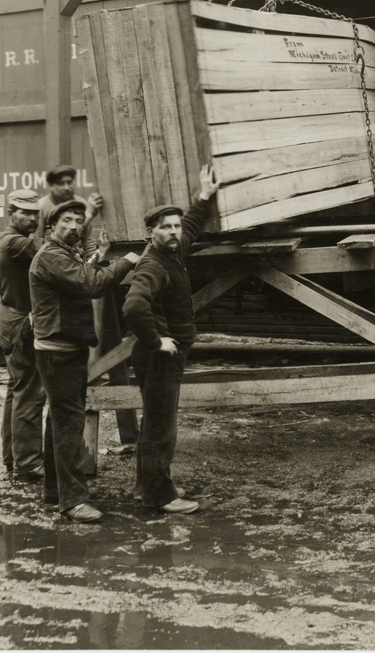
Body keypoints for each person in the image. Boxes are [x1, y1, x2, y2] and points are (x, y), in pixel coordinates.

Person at [29, 197, 140, 523]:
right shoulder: (50, 255)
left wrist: (100, 256)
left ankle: (54, 490)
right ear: (52, 225)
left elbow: (79, 273)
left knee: (60, 420)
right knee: (69, 424)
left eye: (79, 220)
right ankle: (73, 501)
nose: (75, 226)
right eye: (67, 221)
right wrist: (127, 261)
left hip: (63, 348)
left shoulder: (60, 253)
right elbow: (89, 283)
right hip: (58, 352)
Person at [122, 165, 220, 515]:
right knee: (162, 429)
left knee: (154, 423)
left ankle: (144, 489)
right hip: (160, 357)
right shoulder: (154, 265)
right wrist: (156, 341)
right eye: (166, 227)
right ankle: (160, 497)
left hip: (161, 355)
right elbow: (134, 306)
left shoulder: (172, 251)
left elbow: (192, 227)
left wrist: (203, 197)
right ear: (151, 233)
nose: (175, 231)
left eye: (176, 226)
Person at [0, 189, 45, 480]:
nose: (32, 218)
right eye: (25, 212)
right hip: (19, 325)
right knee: (30, 392)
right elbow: (53, 251)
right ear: (11, 212)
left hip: (9, 320)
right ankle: (27, 463)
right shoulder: (16, 243)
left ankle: (13, 459)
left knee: (17, 391)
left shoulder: (8, 239)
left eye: (36, 212)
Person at [36, 164, 104, 247]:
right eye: (61, 183)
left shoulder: (82, 203)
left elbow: (88, 240)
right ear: (51, 185)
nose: (67, 188)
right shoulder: (41, 206)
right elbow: (37, 242)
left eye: (69, 182)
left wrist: (93, 259)